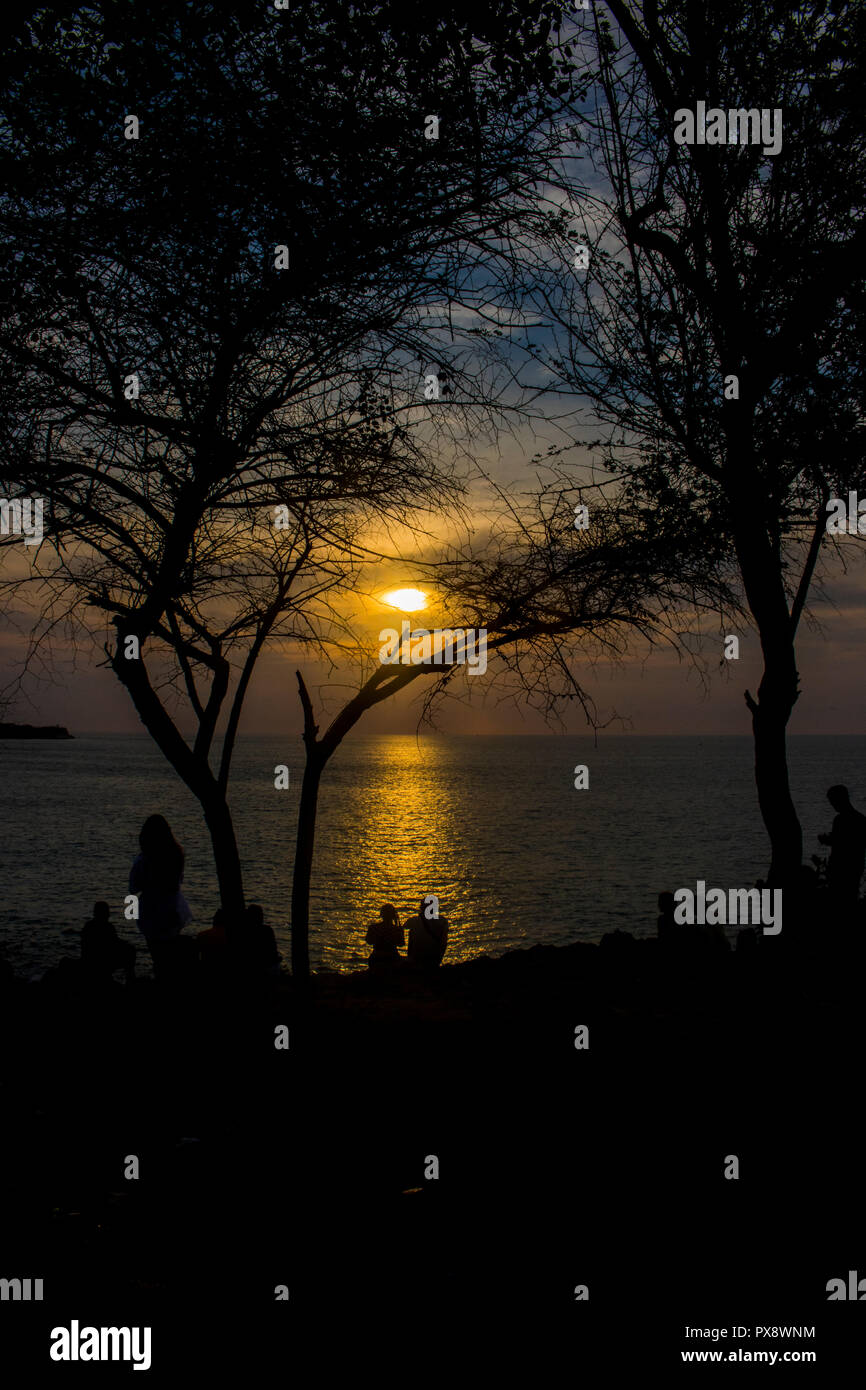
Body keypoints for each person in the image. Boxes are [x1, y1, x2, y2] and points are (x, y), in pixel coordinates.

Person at [129, 815, 193, 975]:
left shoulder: (144, 860)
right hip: (174, 908)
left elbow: (133, 888)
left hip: (152, 912)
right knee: (169, 956)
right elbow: (179, 881)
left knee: (158, 956)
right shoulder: (177, 856)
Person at [818, 785, 866, 908]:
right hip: (856, 864)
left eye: (833, 801)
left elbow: (840, 842)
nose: (832, 805)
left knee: (840, 900)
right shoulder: (861, 819)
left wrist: (826, 840)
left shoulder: (840, 820)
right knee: (851, 896)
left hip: (841, 866)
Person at [81, 900, 136, 986]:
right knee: (130, 951)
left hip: (89, 961)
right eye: (107, 912)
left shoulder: (88, 926)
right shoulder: (108, 927)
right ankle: (130, 982)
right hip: (102, 962)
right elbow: (115, 943)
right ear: (106, 914)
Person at [405, 895, 449, 970]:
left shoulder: (414, 921)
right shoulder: (443, 921)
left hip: (417, 959)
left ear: (422, 908)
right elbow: (443, 943)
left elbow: (405, 925)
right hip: (435, 959)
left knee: (412, 931)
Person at [364, 903, 404, 968]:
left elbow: (369, 941)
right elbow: (401, 944)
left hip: (376, 957)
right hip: (392, 958)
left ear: (381, 914)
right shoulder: (397, 929)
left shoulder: (373, 927)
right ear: (393, 915)